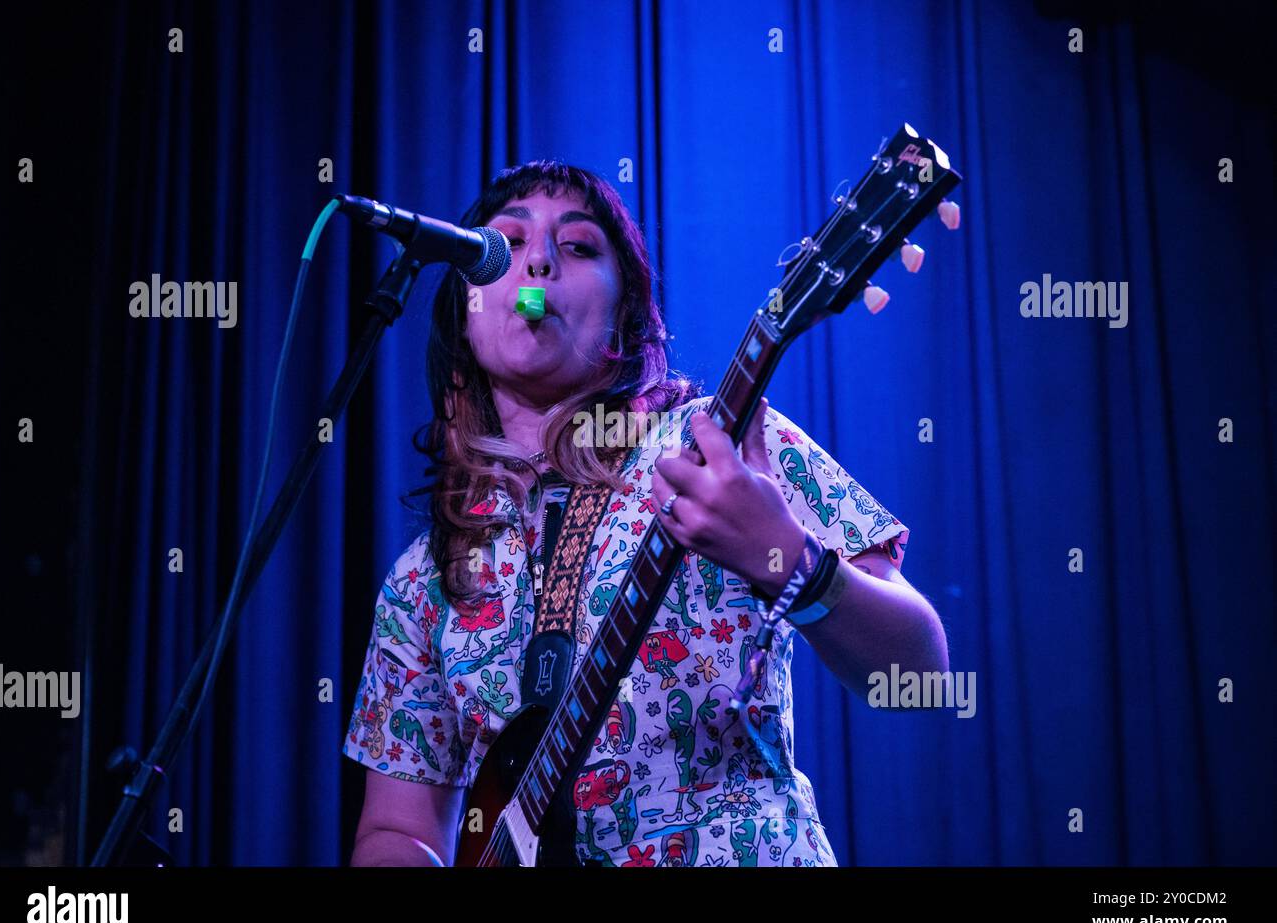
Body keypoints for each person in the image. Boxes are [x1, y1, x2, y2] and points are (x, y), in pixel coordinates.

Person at [342, 160, 948, 867]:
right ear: (463, 315)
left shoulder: (721, 446)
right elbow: (397, 832)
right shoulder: (424, 579)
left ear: (625, 315)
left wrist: (785, 560)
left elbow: (921, 676)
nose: (536, 258)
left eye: (577, 247)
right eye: (505, 242)